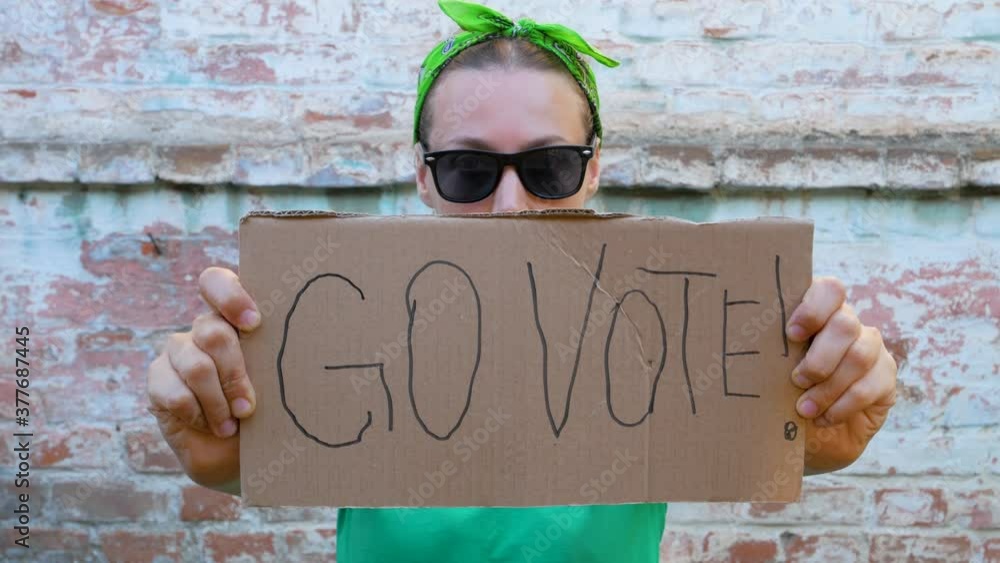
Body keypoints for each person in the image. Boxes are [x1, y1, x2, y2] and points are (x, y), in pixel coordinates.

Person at [146, 2, 898, 561]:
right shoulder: (346, 315)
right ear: (423, 175)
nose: (512, 205)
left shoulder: (658, 316)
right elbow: (264, 453)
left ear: (593, 169)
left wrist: (824, 420)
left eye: (550, 167)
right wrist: (216, 437)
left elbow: (774, 435)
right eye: (468, 169)